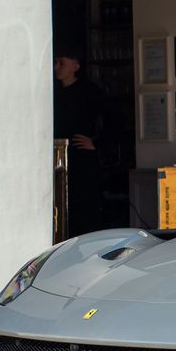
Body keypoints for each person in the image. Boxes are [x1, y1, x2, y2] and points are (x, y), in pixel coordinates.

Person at [53, 46, 109, 237]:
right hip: (58, 158)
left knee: (84, 206)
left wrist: (97, 143)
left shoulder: (90, 92)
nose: (57, 68)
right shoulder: (53, 92)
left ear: (75, 66)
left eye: (62, 63)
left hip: (82, 157)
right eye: (56, 63)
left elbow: (115, 119)